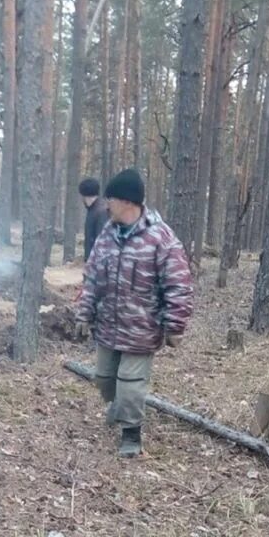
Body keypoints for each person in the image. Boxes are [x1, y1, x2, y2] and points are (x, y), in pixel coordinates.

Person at [75, 168, 193, 458]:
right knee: (104, 379)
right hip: (108, 326)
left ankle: (131, 434)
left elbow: (178, 283)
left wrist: (175, 325)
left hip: (142, 328)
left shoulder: (160, 238)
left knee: (130, 382)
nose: (106, 205)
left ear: (127, 201)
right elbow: (93, 276)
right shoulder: (108, 234)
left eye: (110, 199)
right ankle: (119, 406)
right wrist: (83, 312)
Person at [78, 177, 109, 261]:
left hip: (99, 264)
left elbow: (102, 242)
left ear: (84, 196)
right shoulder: (93, 210)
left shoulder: (101, 212)